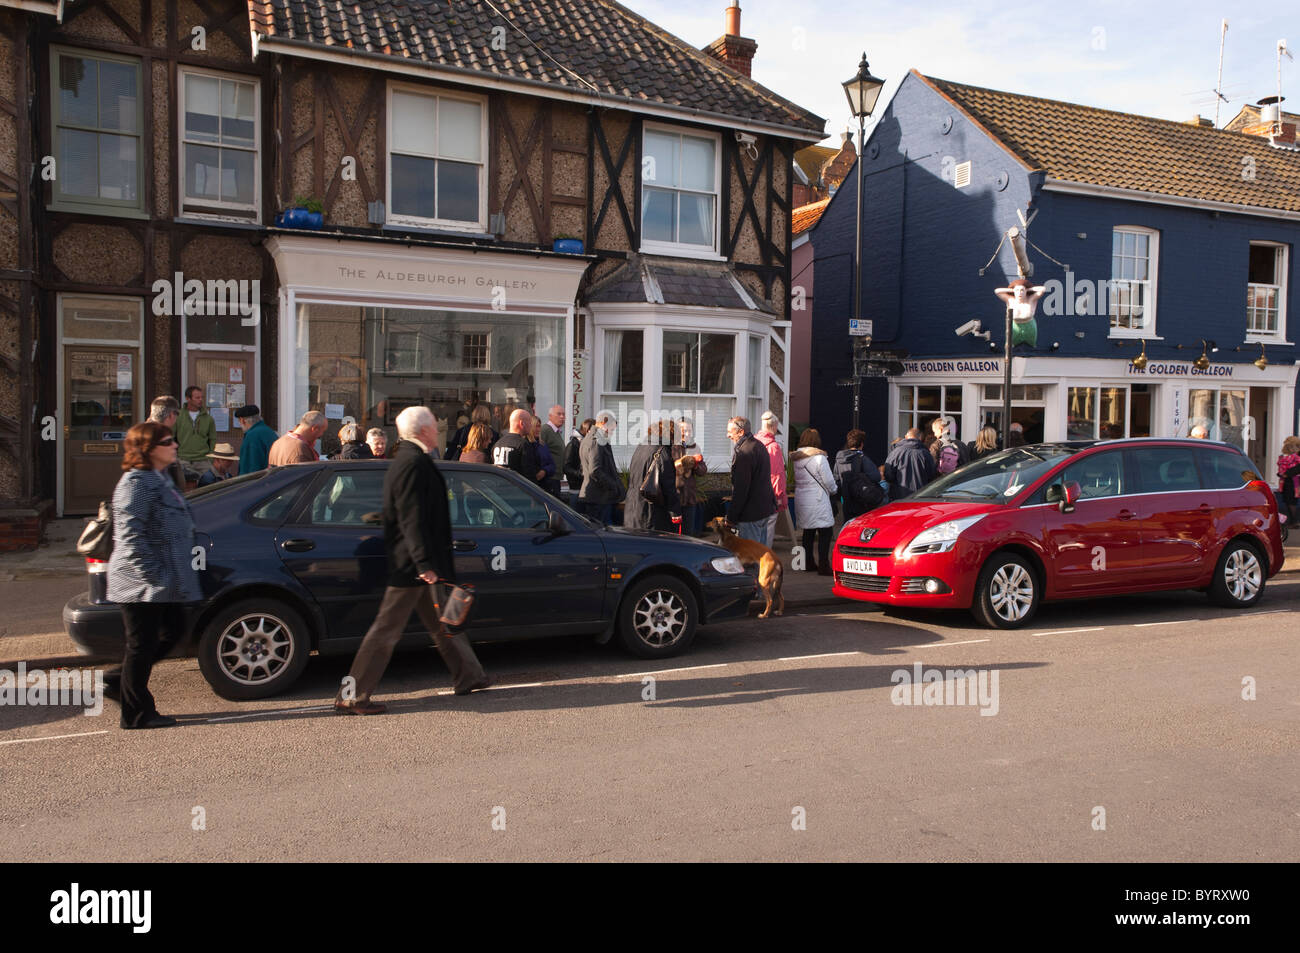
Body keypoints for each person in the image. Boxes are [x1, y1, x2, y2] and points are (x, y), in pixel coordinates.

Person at [334, 406, 489, 714]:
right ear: (423, 431)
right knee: (385, 630)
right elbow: (410, 518)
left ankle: (469, 675)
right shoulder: (412, 463)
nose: (437, 429)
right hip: (413, 565)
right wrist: (423, 564)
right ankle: (352, 695)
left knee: (443, 620)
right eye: (433, 425)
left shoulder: (411, 459)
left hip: (421, 563)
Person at [104, 422, 202, 729]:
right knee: (141, 644)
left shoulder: (159, 478)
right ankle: (136, 713)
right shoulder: (135, 483)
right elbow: (130, 537)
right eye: (168, 442)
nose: (175, 445)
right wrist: (154, 575)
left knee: (173, 632)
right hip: (140, 584)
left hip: (163, 582)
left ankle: (119, 679)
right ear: (148, 449)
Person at [791, 428, 838, 575]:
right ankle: (824, 565)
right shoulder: (819, 458)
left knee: (808, 532)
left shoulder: (797, 458)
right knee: (825, 531)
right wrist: (834, 490)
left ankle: (807, 562)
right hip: (818, 499)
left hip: (802, 497)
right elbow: (828, 480)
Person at [624, 420, 681, 532]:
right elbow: (668, 488)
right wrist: (676, 513)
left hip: (632, 508)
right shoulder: (663, 452)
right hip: (652, 514)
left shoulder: (640, 447)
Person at [726, 416, 775, 543]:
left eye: (730, 432)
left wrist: (731, 517)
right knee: (760, 555)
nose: (728, 435)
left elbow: (741, 489)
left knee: (751, 559)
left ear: (741, 432)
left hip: (751, 514)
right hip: (764, 510)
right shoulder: (759, 445)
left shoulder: (744, 453)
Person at [578, 411, 624, 524]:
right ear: (604, 423)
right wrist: (613, 486)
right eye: (611, 429)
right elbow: (595, 470)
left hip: (596, 497)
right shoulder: (597, 440)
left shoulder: (589, 438)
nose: (612, 433)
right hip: (599, 498)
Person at [833, 429, 887, 519]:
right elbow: (876, 477)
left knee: (849, 526)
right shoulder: (862, 458)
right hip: (862, 501)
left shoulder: (839, 459)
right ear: (861, 444)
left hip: (847, 501)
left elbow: (836, 479)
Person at [755, 411, 788, 548]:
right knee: (767, 534)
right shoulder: (773, 447)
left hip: (754, 494)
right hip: (769, 496)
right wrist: (779, 496)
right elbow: (776, 475)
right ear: (774, 426)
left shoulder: (754, 442)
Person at [672, 418, 708, 536]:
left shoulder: (695, 447)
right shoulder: (671, 447)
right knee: (672, 534)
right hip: (674, 497)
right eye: (683, 430)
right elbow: (665, 469)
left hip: (689, 498)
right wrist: (680, 464)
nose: (686, 433)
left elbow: (703, 471)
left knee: (688, 535)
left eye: (689, 430)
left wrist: (696, 464)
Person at [173, 386, 216, 475]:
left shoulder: (208, 418)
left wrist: (211, 459)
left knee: (209, 486)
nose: (200, 400)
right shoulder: (178, 416)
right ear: (188, 399)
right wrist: (175, 457)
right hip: (183, 460)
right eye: (197, 397)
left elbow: (213, 439)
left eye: (202, 397)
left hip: (203, 461)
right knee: (185, 487)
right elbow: (172, 437)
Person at [491, 409, 542, 482]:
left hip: (499, 488)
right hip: (517, 490)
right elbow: (529, 475)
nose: (531, 425)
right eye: (529, 422)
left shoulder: (498, 444)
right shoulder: (523, 445)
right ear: (522, 424)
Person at [883, 427, 936, 497]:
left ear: (906, 437)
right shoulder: (926, 454)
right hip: (921, 496)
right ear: (920, 438)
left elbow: (888, 475)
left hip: (899, 496)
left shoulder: (895, 453)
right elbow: (932, 475)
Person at [147, 395, 186, 489]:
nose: (174, 445)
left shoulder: (151, 432)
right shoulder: (153, 435)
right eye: (177, 414)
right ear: (171, 415)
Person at [234, 405, 276, 474]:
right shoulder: (269, 431)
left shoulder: (252, 436)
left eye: (239, 421)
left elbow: (249, 467)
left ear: (242, 420)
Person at [530, 415, 562, 497]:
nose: (538, 429)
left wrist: (544, 471)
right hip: (532, 486)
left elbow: (552, 465)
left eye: (539, 426)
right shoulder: (526, 444)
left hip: (546, 485)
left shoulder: (542, 445)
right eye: (536, 426)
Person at [565, 418, 595, 491]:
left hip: (587, 486)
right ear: (588, 431)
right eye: (595, 430)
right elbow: (566, 468)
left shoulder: (589, 443)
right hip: (576, 488)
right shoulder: (573, 445)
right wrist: (581, 474)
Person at [1277, 435, 1300, 525]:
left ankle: (1294, 521)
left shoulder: (1293, 457)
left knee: (1290, 500)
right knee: (1288, 500)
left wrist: (1285, 473)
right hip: (1289, 481)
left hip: (1293, 481)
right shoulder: (1290, 457)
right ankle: (1293, 520)